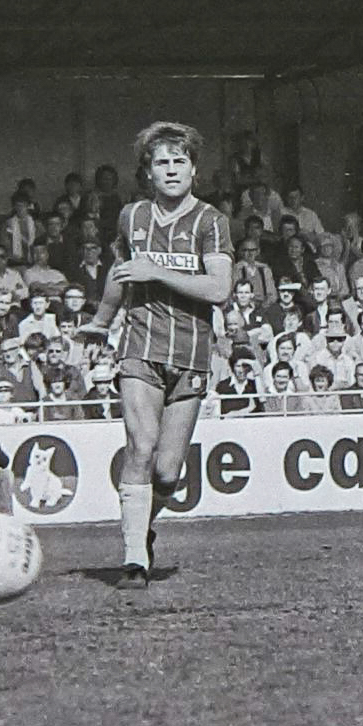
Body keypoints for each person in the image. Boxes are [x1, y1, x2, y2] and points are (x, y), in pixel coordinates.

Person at [80, 122, 233, 590]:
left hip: (191, 354)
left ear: (193, 170)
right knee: (140, 447)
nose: (170, 170)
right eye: (161, 162)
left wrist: (158, 271)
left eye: (179, 161)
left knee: (167, 473)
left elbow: (219, 288)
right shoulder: (133, 217)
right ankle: (133, 561)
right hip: (140, 349)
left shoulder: (211, 222)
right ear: (148, 172)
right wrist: (101, 322)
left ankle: (143, 525)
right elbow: (122, 272)